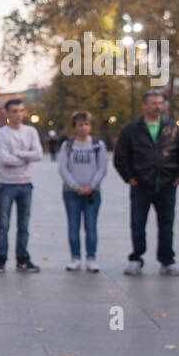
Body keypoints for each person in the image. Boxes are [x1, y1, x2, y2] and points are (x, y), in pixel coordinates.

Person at [113, 89, 179, 276]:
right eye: (154, 103)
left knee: (167, 223)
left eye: (160, 103)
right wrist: (129, 177)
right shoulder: (132, 129)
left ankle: (167, 260)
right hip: (141, 184)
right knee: (138, 223)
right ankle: (136, 258)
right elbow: (120, 157)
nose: (158, 106)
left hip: (166, 184)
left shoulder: (172, 128)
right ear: (144, 105)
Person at [0, 99, 43, 273]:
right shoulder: (1, 134)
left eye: (21, 110)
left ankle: (22, 259)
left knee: (24, 225)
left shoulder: (31, 131)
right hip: (7, 184)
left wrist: (19, 154)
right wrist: (26, 157)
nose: (18, 114)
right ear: (7, 113)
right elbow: (5, 159)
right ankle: (1, 259)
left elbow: (39, 154)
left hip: (26, 183)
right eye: (14, 111)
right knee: (4, 225)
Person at [59, 110, 107, 272]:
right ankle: (75, 258)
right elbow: (63, 168)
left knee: (91, 226)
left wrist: (92, 185)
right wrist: (75, 186)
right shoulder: (68, 146)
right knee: (73, 226)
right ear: (74, 127)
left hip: (92, 193)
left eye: (86, 124)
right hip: (72, 192)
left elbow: (102, 168)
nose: (83, 128)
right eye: (80, 125)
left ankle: (91, 258)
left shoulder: (97, 145)